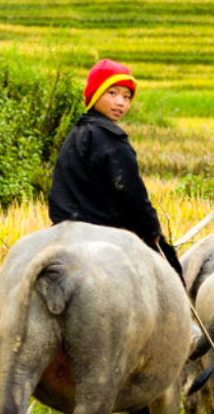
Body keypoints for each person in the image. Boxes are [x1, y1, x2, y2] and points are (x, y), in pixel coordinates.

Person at [48, 58, 184, 281]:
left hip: (64, 231)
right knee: (173, 277)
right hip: (104, 234)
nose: (120, 102)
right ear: (94, 95)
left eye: (127, 96)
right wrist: (154, 235)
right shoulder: (112, 140)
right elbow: (134, 197)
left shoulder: (75, 135)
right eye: (112, 93)